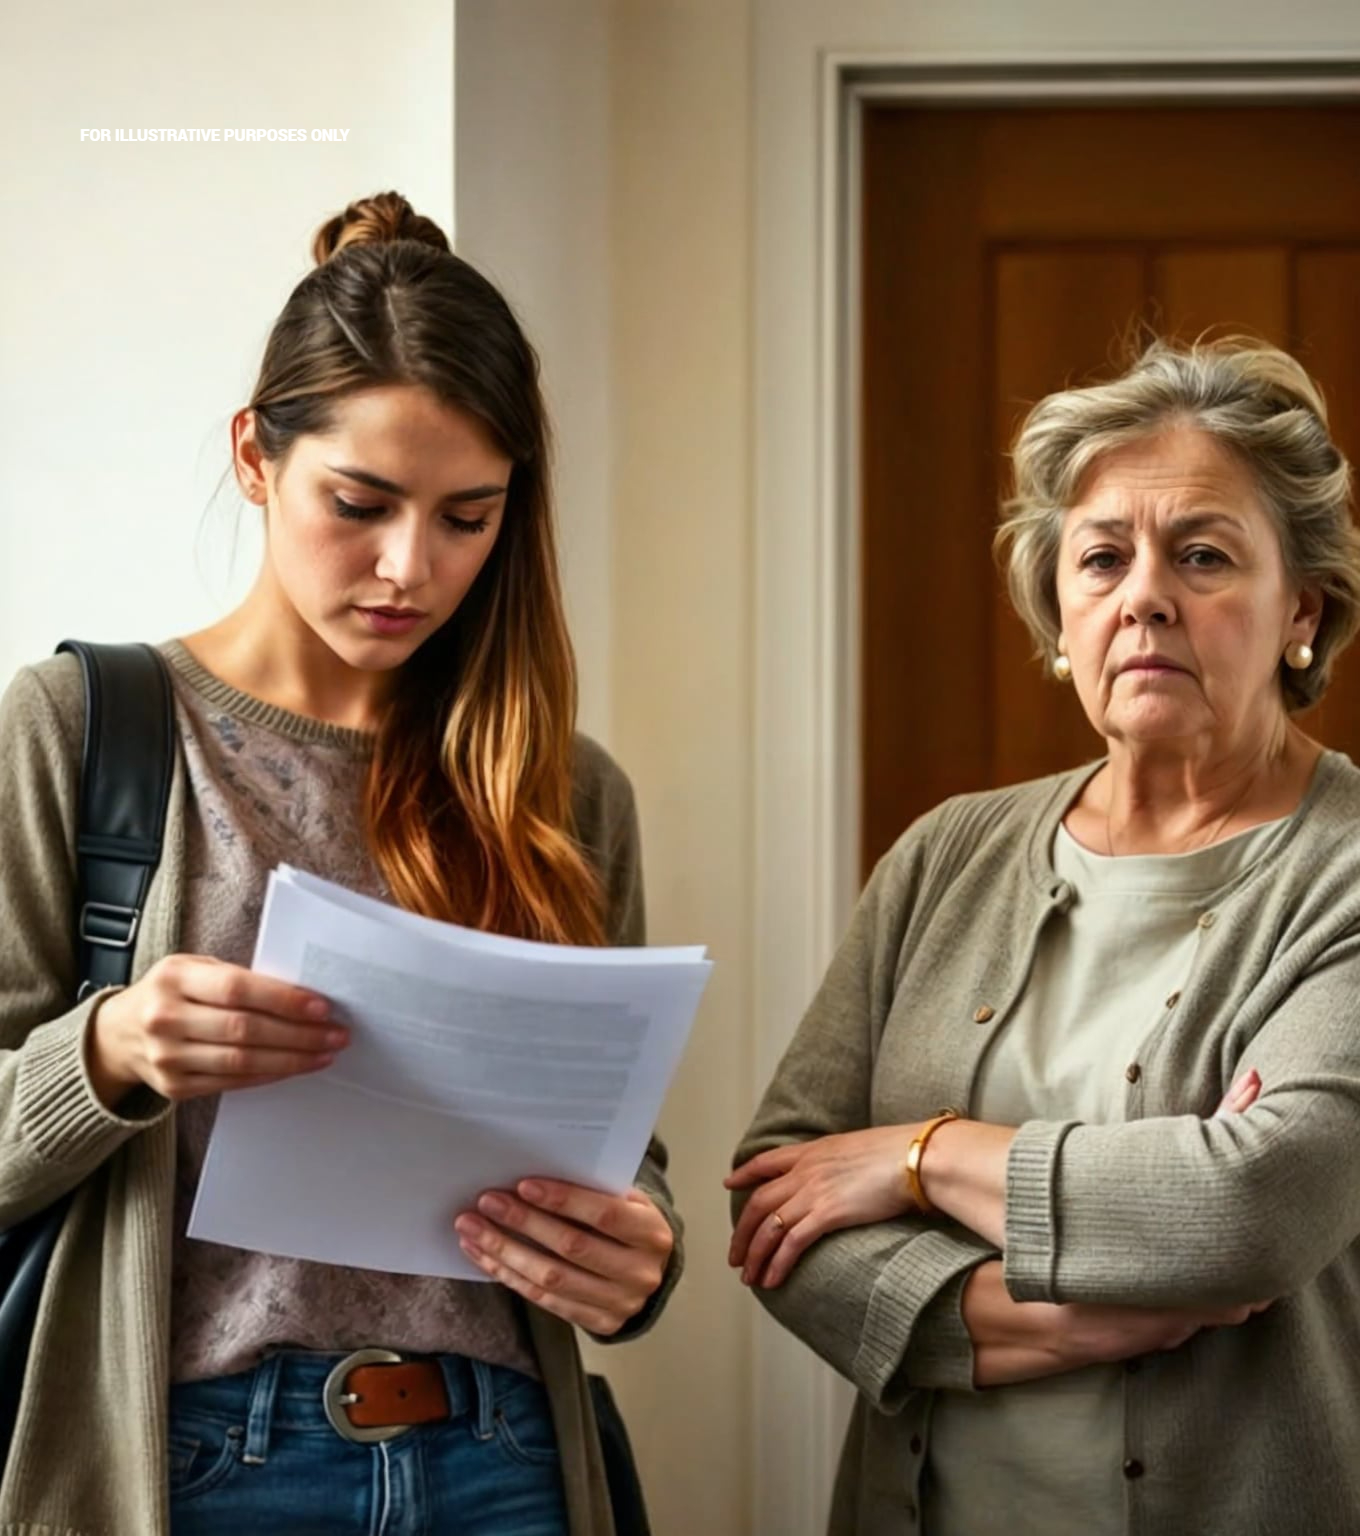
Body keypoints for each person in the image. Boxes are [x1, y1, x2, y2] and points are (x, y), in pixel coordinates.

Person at [0, 191, 681, 1536]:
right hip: (192, 1466)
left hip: (506, 1459)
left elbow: (622, 1155)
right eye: (360, 503)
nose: (408, 567)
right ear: (256, 455)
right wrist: (112, 1050)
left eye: (469, 517)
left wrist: (633, 1257)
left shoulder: (564, 789)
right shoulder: (82, 731)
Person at [727, 336, 1360, 1535]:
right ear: (1060, 619)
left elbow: (1249, 1210)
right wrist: (999, 1320)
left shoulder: (1344, 872)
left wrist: (914, 1155)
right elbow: (777, 1201)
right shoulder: (946, 854)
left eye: (1204, 556)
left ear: (1302, 612)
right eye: (1102, 559)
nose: (1145, 597)